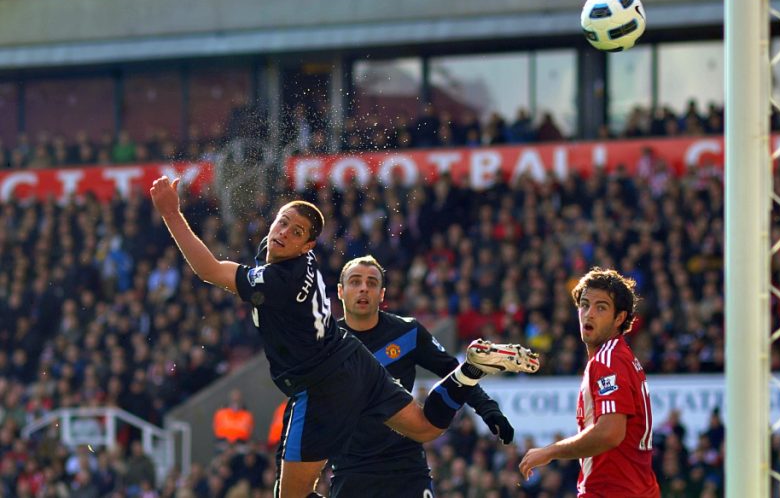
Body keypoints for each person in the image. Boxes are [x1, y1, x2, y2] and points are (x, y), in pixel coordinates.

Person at [149, 176, 539, 498]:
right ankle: (472, 369)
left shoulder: (279, 280)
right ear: (340, 290)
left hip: (321, 388)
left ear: (308, 245)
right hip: (351, 361)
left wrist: (171, 212)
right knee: (426, 427)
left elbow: (208, 270)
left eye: (296, 230)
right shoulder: (303, 262)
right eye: (282, 222)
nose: (284, 232)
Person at [328, 255, 513, 497]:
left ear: (382, 294)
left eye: (372, 283)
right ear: (341, 291)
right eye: (355, 281)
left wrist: (488, 408)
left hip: (406, 467)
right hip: (351, 470)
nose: (364, 288)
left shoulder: (408, 333)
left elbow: (454, 371)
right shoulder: (327, 344)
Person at [519, 267, 659, 497]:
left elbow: (610, 433)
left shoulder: (608, 360)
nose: (589, 313)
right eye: (584, 305)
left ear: (619, 318)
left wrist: (551, 451)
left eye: (601, 307)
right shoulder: (618, 356)